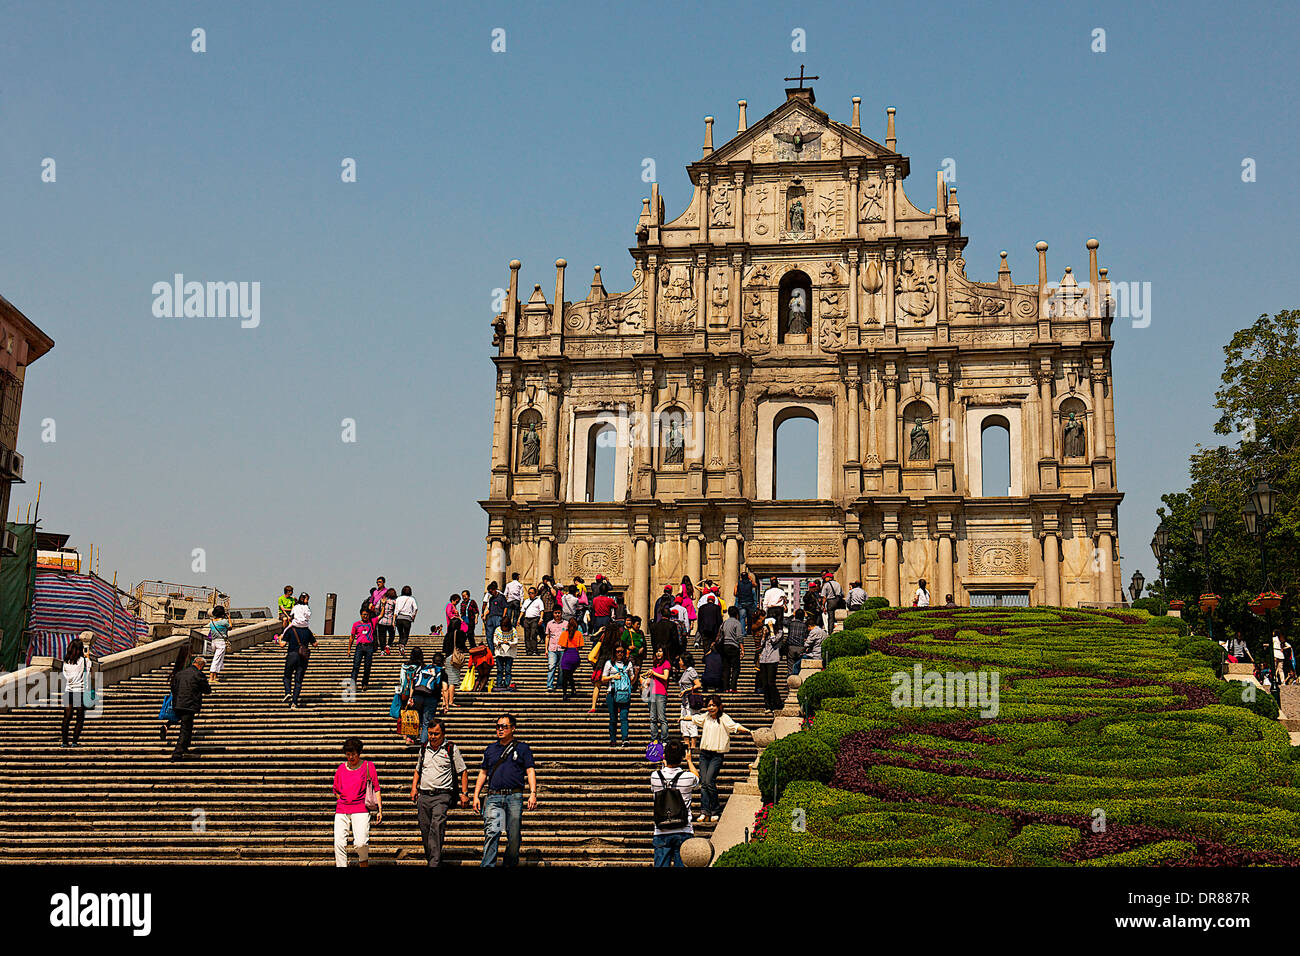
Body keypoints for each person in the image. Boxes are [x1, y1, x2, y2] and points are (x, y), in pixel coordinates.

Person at [472, 714, 538, 867]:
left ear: (513, 729)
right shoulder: (490, 749)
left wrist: (533, 793)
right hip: (494, 798)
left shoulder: (522, 748)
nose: (500, 729)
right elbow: (483, 773)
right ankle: (488, 865)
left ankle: (509, 863)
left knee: (514, 836)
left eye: (504, 727)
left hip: (514, 797)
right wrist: (476, 795)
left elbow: (530, 771)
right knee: (492, 833)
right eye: (498, 727)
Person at [409, 718, 469, 866]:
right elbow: (418, 770)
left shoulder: (451, 748)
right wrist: (413, 787)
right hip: (424, 795)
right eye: (430, 734)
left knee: (436, 826)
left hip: (442, 795)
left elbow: (463, 771)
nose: (433, 737)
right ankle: (432, 857)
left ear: (443, 734)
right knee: (425, 828)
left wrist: (465, 793)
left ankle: (433, 863)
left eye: (436, 734)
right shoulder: (423, 749)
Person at [690, 695, 751, 823]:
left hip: (716, 755)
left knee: (709, 781)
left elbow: (734, 726)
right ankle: (704, 811)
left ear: (718, 706)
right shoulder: (705, 717)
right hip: (704, 754)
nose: (711, 708)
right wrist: (682, 718)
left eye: (713, 705)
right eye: (709, 705)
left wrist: (747, 730)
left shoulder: (723, 718)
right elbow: (695, 718)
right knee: (704, 783)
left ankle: (715, 810)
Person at [333, 737, 381, 867]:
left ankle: (363, 860)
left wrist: (379, 809)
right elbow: (335, 790)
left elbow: (376, 788)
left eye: (353, 754)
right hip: (342, 809)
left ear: (359, 753)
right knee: (339, 843)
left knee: (361, 843)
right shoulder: (341, 769)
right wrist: (344, 800)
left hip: (361, 809)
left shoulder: (368, 766)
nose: (350, 757)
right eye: (348, 754)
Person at [650, 740, 700, 866]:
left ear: (665, 756)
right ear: (682, 757)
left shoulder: (655, 776)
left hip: (661, 830)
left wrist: (664, 765)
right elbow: (697, 778)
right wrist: (689, 760)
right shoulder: (688, 777)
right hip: (684, 829)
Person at [170, 654, 211, 759]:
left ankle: (185, 747)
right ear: (201, 666)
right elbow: (207, 690)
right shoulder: (198, 675)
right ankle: (177, 752)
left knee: (186, 726)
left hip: (178, 703)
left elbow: (173, 688)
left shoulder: (180, 674)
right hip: (189, 704)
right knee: (185, 728)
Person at [283, 594, 315, 709]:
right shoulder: (307, 631)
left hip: (292, 655)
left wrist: (277, 639)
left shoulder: (291, 629)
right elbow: (315, 644)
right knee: (298, 680)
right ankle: (294, 703)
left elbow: (282, 644)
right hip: (303, 657)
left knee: (287, 676)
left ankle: (287, 692)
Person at [60, 634, 93, 747]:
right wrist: (87, 656)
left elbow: (65, 676)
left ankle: (64, 742)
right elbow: (89, 669)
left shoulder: (66, 662)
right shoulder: (83, 661)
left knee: (67, 718)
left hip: (68, 691)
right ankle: (74, 742)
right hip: (79, 691)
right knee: (79, 718)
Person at [413, 652, 450, 744]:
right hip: (431, 698)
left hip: (417, 695)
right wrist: (446, 704)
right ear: (443, 662)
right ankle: (423, 743)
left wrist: (410, 697)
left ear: (432, 661)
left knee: (417, 717)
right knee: (427, 722)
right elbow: (445, 689)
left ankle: (411, 737)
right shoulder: (442, 672)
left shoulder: (423, 668)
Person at [602, 644, 635, 747]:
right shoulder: (609, 663)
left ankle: (625, 738)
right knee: (613, 718)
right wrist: (613, 677)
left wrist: (636, 675)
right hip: (612, 693)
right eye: (617, 651)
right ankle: (613, 739)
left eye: (621, 651)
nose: (620, 653)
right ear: (614, 652)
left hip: (625, 693)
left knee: (624, 717)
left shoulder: (628, 664)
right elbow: (603, 678)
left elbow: (632, 679)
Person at [588, 624, 619, 714]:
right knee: (612, 686)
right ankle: (614, 706)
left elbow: (592, 638)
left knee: (597, 686)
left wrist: (599, 631)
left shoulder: (603, 638)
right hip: (612, 663)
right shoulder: (617, 641)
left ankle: (593, 706)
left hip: (601, 663)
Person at [757, 619, 786, 713]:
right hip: (764, 659)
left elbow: (774, 641)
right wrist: (764, 635)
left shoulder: (780, 632)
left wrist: (771, 629)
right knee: (764, 684)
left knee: (771, 683)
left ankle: (777, 703)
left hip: (773, 659)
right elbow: (761, 644)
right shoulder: (767, 634)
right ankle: (768, 704)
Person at [678, 652, 703, 754]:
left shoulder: (691, 671)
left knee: (691, 722)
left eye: (680, 660)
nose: (679, 662)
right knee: (683, 723)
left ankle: (693, 746)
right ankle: (686, 744)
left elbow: (698, 684)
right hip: (684, 702)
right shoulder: (684, 672)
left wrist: (686, 690)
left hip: (691, 701)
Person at [645, 647, 671, 744]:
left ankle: (664, 739)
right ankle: (654, 739)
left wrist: (654, 673)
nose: (658, 653)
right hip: (652, 693)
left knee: (661, 718)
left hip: (660, 693)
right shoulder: (655, 665)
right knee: (652, 719)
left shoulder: (666, 663)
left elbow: (665, 677)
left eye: (660, 651)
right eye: (657, 651)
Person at [348, 607, 377, 691]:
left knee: (367, 666)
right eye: (364, 614)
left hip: (369, 646)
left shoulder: (372, 622)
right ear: (361, 615)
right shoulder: (356, 624)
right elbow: (352, 637)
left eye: (367, 615)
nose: (365, 616)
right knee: (356, 666)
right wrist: (349, 649)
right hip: (360, 646)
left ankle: (364, 683)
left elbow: (381, 616)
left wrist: (382, 605)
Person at [718, 606, 745, 692]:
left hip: (725, 646)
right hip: (733, 647)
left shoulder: (725, 622)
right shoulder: (737, 623)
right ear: (737, 614)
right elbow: (739, 637)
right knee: (736, 668)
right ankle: (732, 687)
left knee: (726, 668)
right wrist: (742, 649)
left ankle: (726, 687)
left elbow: (720, 634)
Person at [559, 616, 584, 701]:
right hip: (575, 655)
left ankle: (565, 694)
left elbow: (562, 646)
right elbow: (581, 646)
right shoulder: (579, 634)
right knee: (570, 675)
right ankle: (573, 689)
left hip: (567, 655)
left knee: (566, 676)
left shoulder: (564, 633)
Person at [493, 616, 519, 690]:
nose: (504, 629)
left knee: (508, 670)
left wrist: (509, 642)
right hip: (499, 652)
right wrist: (498, 642)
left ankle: (507, 684)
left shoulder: (513, 631)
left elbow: (516, 641)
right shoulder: (497, 630)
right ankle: (499, 683)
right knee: (499, 670)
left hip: (509, 653)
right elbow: (494, 640)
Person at [444, 631, 468, 713]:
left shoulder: (448, 634)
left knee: (447, 680)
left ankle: (445, 701)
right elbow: (462, 645)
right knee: (453, 681)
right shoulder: (459, 634)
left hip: (447, 658)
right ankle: (450, 701)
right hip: (454, 658)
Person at [544, 606, 566, 690]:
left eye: (559, 613)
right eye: (555, 613)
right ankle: (549, 685)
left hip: (562, 648)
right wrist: (546, 649)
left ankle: (559, 684)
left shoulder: (566, 624)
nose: (557, 615)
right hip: (552, 648)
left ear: (561, 613)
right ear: (553, 613)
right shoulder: (549, 624)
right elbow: (547, 636)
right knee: (551, 666)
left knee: (561, 668)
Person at [208, 605, 231, 684]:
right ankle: (211, 677)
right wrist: (229, 618)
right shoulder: (224, 621)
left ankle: (215, 677)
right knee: (216, 659)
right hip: (221, 642)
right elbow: (230, 627)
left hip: (213, 642)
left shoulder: (212, 622)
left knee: (219, 659)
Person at [521, 586, 545, 656]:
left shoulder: (539, 601)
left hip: (535, 619)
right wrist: (519, 619)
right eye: (529, 593)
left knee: (533, 634)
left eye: (532, 593)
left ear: (535, 593)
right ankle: (528, 650)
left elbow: (542, 610)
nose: (530, 594)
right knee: (527, 636)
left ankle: (534, 650)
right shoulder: (526, 601)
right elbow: (522, 610)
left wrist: (541, 618)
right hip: (527, 619)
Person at [785, 609, 809, 677]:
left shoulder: (791, 623)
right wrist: (807, 617)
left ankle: (790, 680)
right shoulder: (805, 625)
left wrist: (793, 614)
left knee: (790, 666)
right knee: (798, 666)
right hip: (801, 647)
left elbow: (785, 621)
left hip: (791, 647)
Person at [376, 587, 398, 655]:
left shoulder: (382, 600)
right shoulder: (395, 602)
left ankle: (382, 650)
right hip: (390, 621)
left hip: (381, 621)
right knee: (392, 634)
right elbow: (396, 611)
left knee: (382, 636)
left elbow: (376, 608)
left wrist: (379, 614)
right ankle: (388, 645)